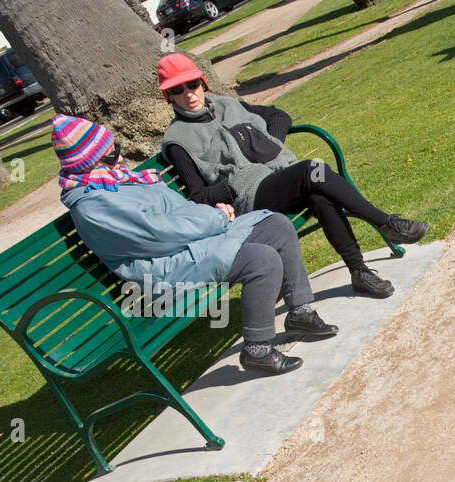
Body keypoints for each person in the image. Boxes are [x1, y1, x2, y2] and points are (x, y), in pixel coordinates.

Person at [53, 113, 338, 376]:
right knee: (260, 260)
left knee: (275, 225)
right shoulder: (94, 204)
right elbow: (158, 235)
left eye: (115, 147)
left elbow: (180, 212)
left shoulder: (116, 181)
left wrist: (214, 217)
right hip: (164, 270)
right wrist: (216, 218)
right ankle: (257, 349)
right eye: (112, 152)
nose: (121, 156)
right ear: (89, 161)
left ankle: (301, 312)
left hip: (189, 246)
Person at [156, 53, 426, 299]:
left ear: (202, 83)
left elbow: (277, 115)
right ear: (169, 97)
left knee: (319, 194)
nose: (188, 94)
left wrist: (265, 144)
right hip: (249, 198)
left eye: (192, 85)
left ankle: (359, 271)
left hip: (278, 178)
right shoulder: (178, 140)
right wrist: (230, 187)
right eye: (177, 90)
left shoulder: (227, 105)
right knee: (312, 170)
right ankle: (385, 222)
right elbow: (197, 195)